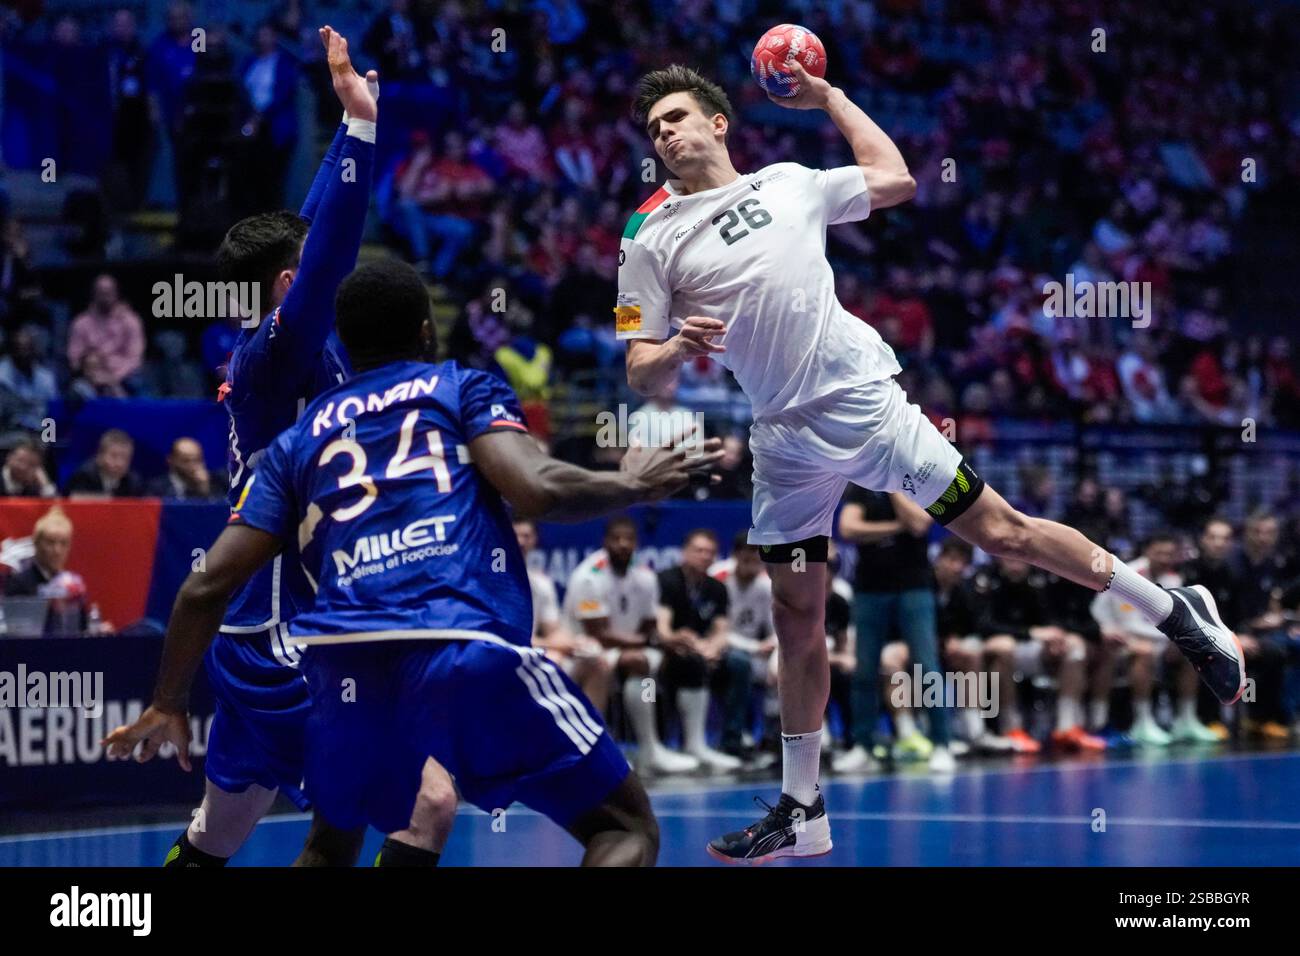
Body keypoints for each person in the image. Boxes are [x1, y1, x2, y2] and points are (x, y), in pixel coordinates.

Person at [619, 63, 1243, 864]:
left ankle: (1172, 606)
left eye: (675, 117)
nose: (664, 135)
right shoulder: (648, 232)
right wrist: (673, 347)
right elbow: (641, 369)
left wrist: (829, 99)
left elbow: (896, 179)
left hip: (865, 405)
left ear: (717, 122)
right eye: (653, 129)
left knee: (1004, 533)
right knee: (796, 616)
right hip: (782, 438)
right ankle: (801, 806)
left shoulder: (790, 183)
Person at [105, 257, 725, 866]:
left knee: (333, 840)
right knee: (622, 826)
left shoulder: (298, 442)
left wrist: (167, 701)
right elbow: (540, 490)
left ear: (342, 342)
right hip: (456, 640)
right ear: (426, 330)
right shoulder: (458, 387)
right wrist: (634, 484)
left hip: (342, 666)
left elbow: (204, 586)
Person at [151, 26, 453, 869]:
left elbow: (308, 231)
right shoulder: (277, 351)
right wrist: (358, 138)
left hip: (259, 626)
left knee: (221, 832)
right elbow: (324, 257)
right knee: (424, 802)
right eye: (308, 275)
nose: (328, 277)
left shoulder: (268, 339)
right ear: (288, 287)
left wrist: (355, 118)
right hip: (290, 629)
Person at [564, 517, 698, 774]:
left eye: (629, 539)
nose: (623, 544)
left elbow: (649, 623)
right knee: (639, 659)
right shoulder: (587, 576)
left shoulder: (645, 575)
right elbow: (598, 633)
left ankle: (651, 749)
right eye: (617, 539)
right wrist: (647, 642)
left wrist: (654, 642)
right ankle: (604, 750)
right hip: (587, 650)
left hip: (631, 647)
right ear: (605, 542)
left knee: (653, 662)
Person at [834, 488, 955, 773]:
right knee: (864, 669)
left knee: (927, 667)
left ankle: (942, 744)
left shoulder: (915, 480)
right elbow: (848, 528)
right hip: (869, 590)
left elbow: (919, 523)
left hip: (914, 588)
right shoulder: (861, 486)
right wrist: (897, 527)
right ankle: (863, 746)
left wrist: (893, 487)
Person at [1091, 534, 1221, 745]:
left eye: (1169, 554)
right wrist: (1170, 637)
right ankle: (1142, 721)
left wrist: (1177, 639)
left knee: (1193, 649)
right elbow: (1129, 622)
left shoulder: (1175, 579)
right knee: (1146, 651)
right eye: (1159, 553)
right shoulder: (1128, 574)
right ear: (1148, 551)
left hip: (1153, 638)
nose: (1164, 558)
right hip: (1118, 636)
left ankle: (1186, 719)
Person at [656, 529, 749, 771]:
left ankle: (732, 742)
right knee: (681, 667)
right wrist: (690, 644)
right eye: (699, 550)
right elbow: (663, 630)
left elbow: (721, 629)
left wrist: (712, 647)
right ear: (684, 552)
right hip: (668, 651)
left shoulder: (717, 588)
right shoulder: (667, 580)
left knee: (739, 663)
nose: (704, 556)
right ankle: (686, 744)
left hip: (703, 652)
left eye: (710, 552)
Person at [516, 518, 613, 712]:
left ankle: (592, 735)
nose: (521, 541)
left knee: (605, 662)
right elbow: (506, 638)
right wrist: (560, 646)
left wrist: (577, 644)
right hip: (509, 656)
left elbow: (554, 629)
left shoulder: (541, 582)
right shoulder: (491, 579)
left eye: (526, 536)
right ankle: (550, 737)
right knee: (553, 661)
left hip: (542, 652)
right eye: (516, 535)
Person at [3, 507, 94, 636]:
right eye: (50, 543)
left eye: (63, 543)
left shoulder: (73, 584)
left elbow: (83, 629)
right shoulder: (19, 582)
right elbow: (16, 632)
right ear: (36, 543)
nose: (57, 550)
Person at [64, 429, 144, 498]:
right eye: (114, 456)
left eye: (125, 458)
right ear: (100, 457)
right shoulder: (83, 477)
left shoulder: (133, 482)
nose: (119, 463)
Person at [146, 437, 227, 500]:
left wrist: (205, 490)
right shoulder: (157, 488)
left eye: (197, 460)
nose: (193, 466)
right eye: (186, 461)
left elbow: (221, 513)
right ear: (171, 460)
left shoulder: (215, 483)